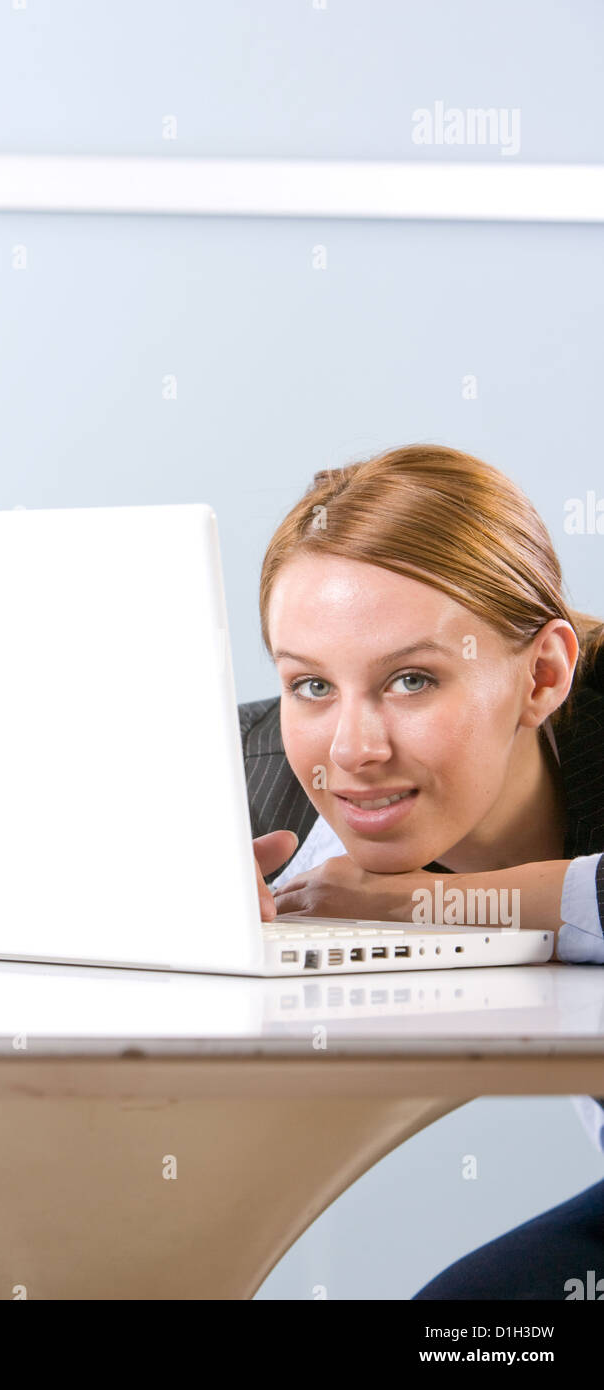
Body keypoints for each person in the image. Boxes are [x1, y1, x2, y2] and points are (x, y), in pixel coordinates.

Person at [238, 442, 604, 1299]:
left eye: (412, 679)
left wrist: (430, 904)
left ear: (543, 674)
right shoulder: (264, 763)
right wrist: (173, 895)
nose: (354, 751)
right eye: (311, 685)